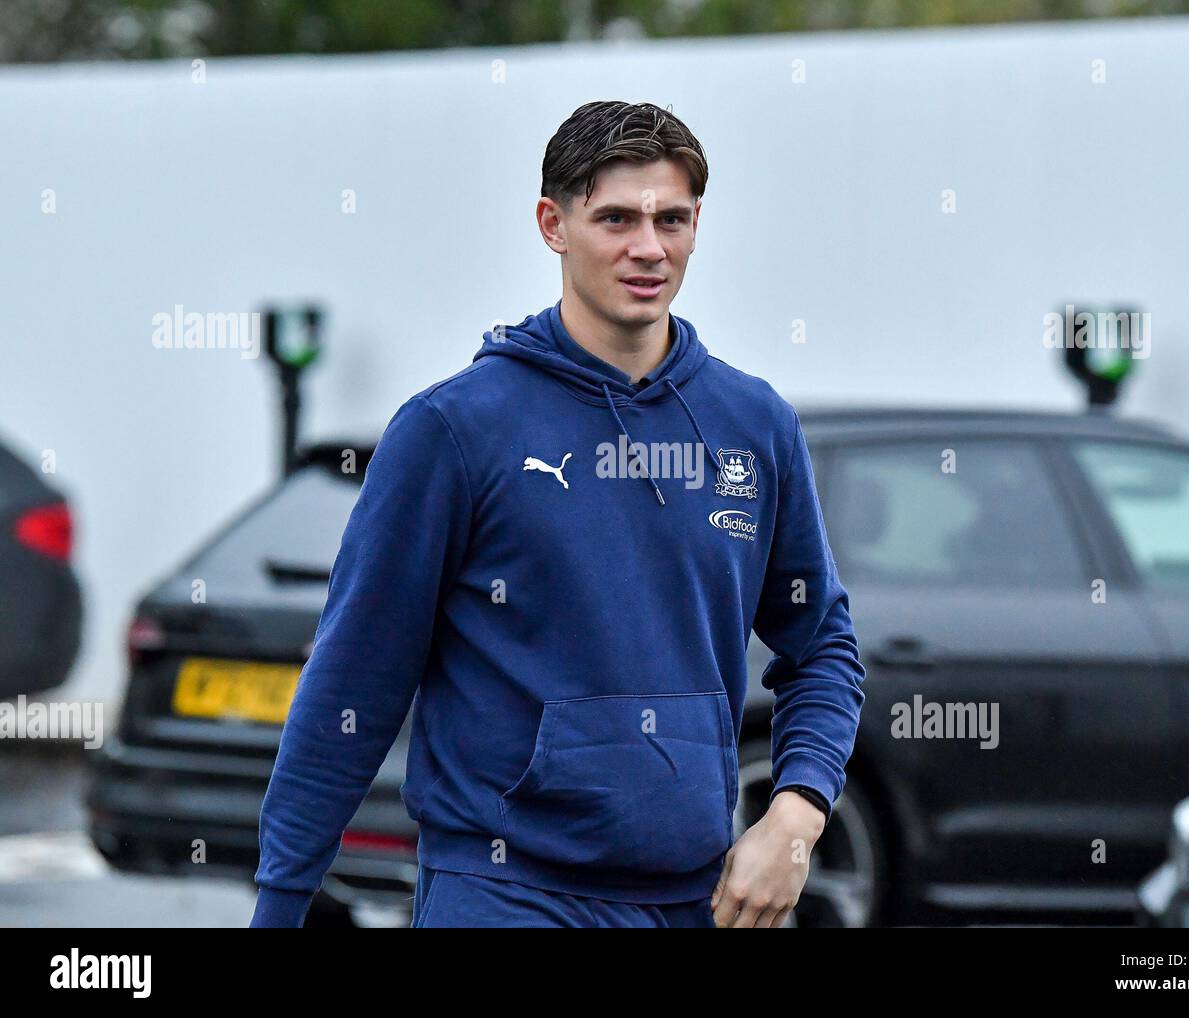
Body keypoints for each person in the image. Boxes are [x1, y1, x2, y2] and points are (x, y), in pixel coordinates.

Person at [250, 100, 866, 929]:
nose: (648, 247)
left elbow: (822, 644)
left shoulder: (753, 426)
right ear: (554, 223)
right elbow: (354, 682)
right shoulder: (456, 429)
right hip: (502, 893)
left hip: (688, 901)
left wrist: (795, 816)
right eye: (615, 217)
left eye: (671, 219)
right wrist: (281, 903)